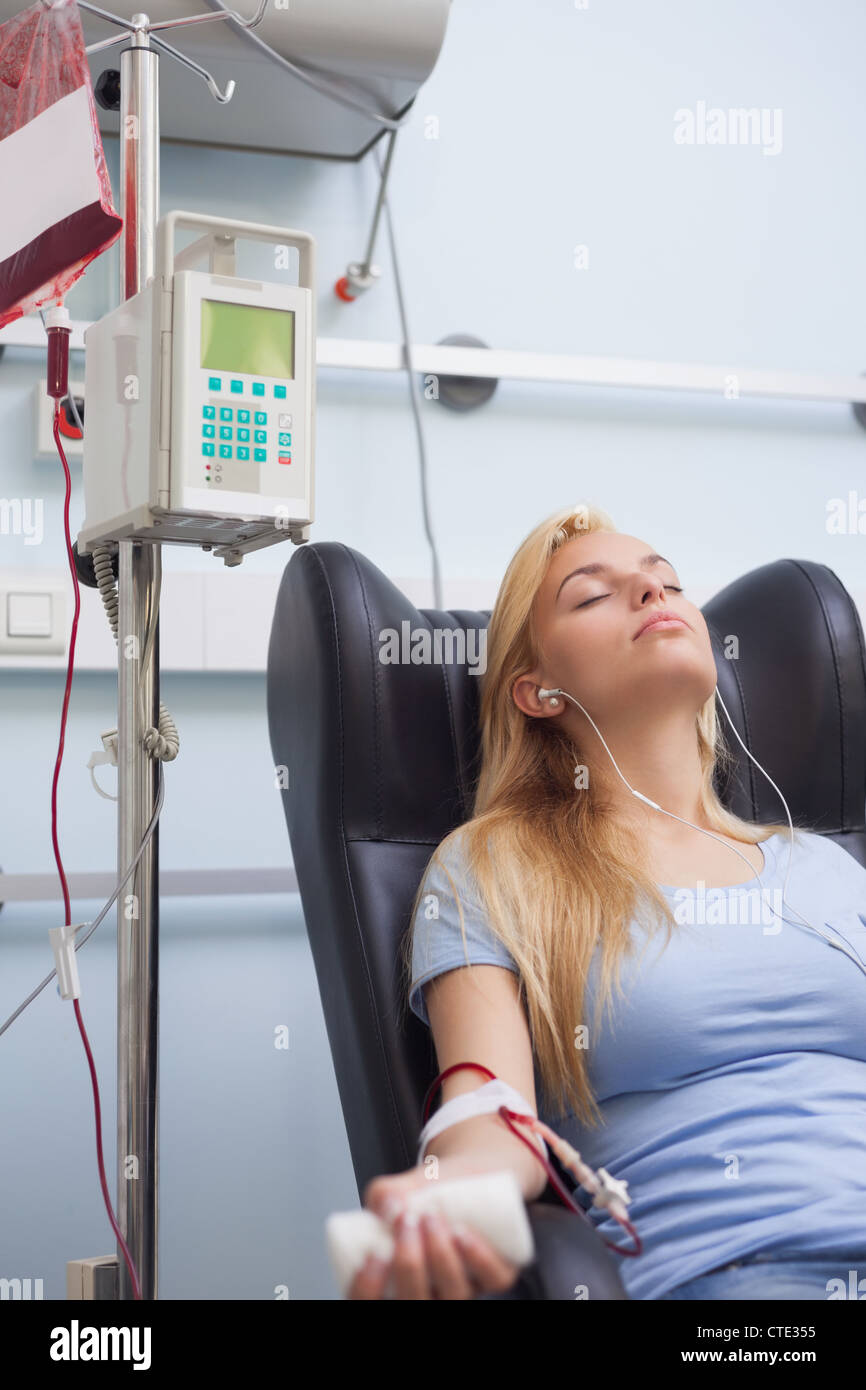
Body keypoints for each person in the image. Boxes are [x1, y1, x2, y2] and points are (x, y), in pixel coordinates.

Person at [348, 503, 866, 1301]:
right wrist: (446, 1192)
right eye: (594, 596)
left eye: (668, 582)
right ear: (537, 691)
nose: (654, 595)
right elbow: (490, 1112)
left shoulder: (824, 866)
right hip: (746, 1283)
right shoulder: (497, 866)